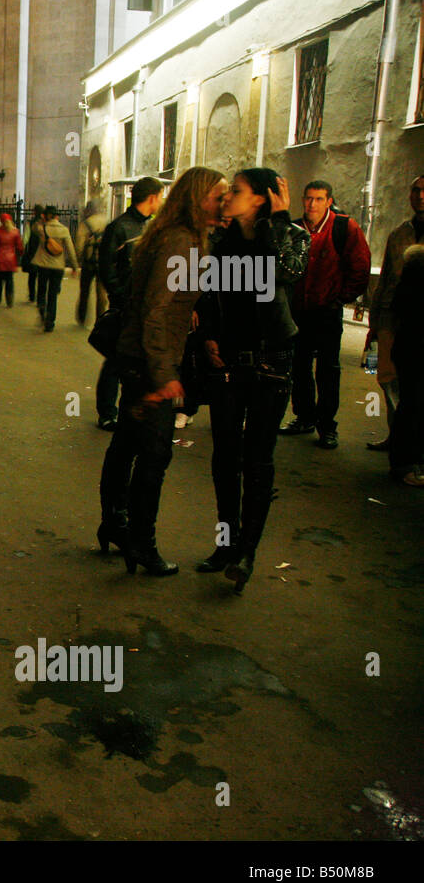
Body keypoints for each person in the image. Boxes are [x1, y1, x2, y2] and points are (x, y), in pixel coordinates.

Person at [97, 166, 228, 575]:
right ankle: (141, 542)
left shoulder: (173, 236)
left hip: (137, 357)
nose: (225, 202)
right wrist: (164, 374)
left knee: (125, 447)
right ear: (199, 198)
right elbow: (155, 310)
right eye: (219, 195)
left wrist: (183, 311)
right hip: (149, 361)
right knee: (155, 455)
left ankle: (116, 525)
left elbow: (160, 301)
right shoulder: (181, 242)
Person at [195, 169, 310, 592]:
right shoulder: (223, 242)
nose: (227, 199)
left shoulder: (289, 235)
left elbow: (287, 273)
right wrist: (208, 336)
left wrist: (279, 222)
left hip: (271, 360)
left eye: (237, 193)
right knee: (225, 455)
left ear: (261, 199)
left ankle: (247, 550)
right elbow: (210, 292)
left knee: (257, 458)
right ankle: (226, 544)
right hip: (227, 359)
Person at [279, 180, 371, 449]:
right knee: (299, 366)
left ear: (329, 201)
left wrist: (340, 298)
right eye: (308, 198)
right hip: (298, 311)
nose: (312, 204)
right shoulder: (293, 229)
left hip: (326, 311)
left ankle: (327, 426)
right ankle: (304, 416)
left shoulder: (344, 227)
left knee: (328, 369)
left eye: (319, 199)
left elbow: (360, 266)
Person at [96, 177, 165, 429]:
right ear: (152, 197)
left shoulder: (152, 227)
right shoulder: (119, 228)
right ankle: (107, 411)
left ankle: (133, 408)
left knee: (137, 359)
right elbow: (106, 268)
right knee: (115, 360)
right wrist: (119, 298)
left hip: (146, 306)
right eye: (161, 196)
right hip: (125, 305)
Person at [366, 173, 424, 455]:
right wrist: (374, 323)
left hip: (419, 320)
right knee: (387, 376)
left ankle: (412, 444)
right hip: (392, 315)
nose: (420, 196)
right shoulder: (400, 233)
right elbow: (387, 277)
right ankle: (397, 435)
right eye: (416, 190)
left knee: (416, 385)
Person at [386, 245, 424, 485]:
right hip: (415, 350)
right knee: (413, 406)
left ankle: (405, 463)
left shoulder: (406, 283)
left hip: (408, 349)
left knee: (410, 405)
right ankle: (405, 464)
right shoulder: (416, 281)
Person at [29, 206, 78, 332]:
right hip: (58, 266)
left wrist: (41, 220)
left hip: (43, 264)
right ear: (57, 216)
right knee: (52, 294)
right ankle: (50, 322)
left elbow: (33, 228)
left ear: (45, 216)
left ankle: (41, 309)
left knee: (41, 289)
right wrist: (74, 266)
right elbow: (70, 249)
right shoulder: (64, 230)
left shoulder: (41, 228)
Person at [75, 200, 109, 326]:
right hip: (103, 262)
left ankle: (82, 317)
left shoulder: (85, 224)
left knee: (85, 290)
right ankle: (100, 319)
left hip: (88, 263)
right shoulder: (107, 222)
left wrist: (80, 259)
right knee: (101, 294)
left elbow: (79, 245)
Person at [0, 214, 23, 308]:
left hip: (0, 259)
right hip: (11, 259)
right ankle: (9, 299)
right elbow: (19, 246)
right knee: (10, 280)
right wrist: (21, 254)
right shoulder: (15, 232)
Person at [23, 205, 45, 303]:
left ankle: (32, 296)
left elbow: (25, 238)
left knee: (32, 275)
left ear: (34, 212)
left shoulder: (30, 223)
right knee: (42, 275)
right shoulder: (45, 223)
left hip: (32, 251)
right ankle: (41, 296)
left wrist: (23, 248)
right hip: (43, 251)